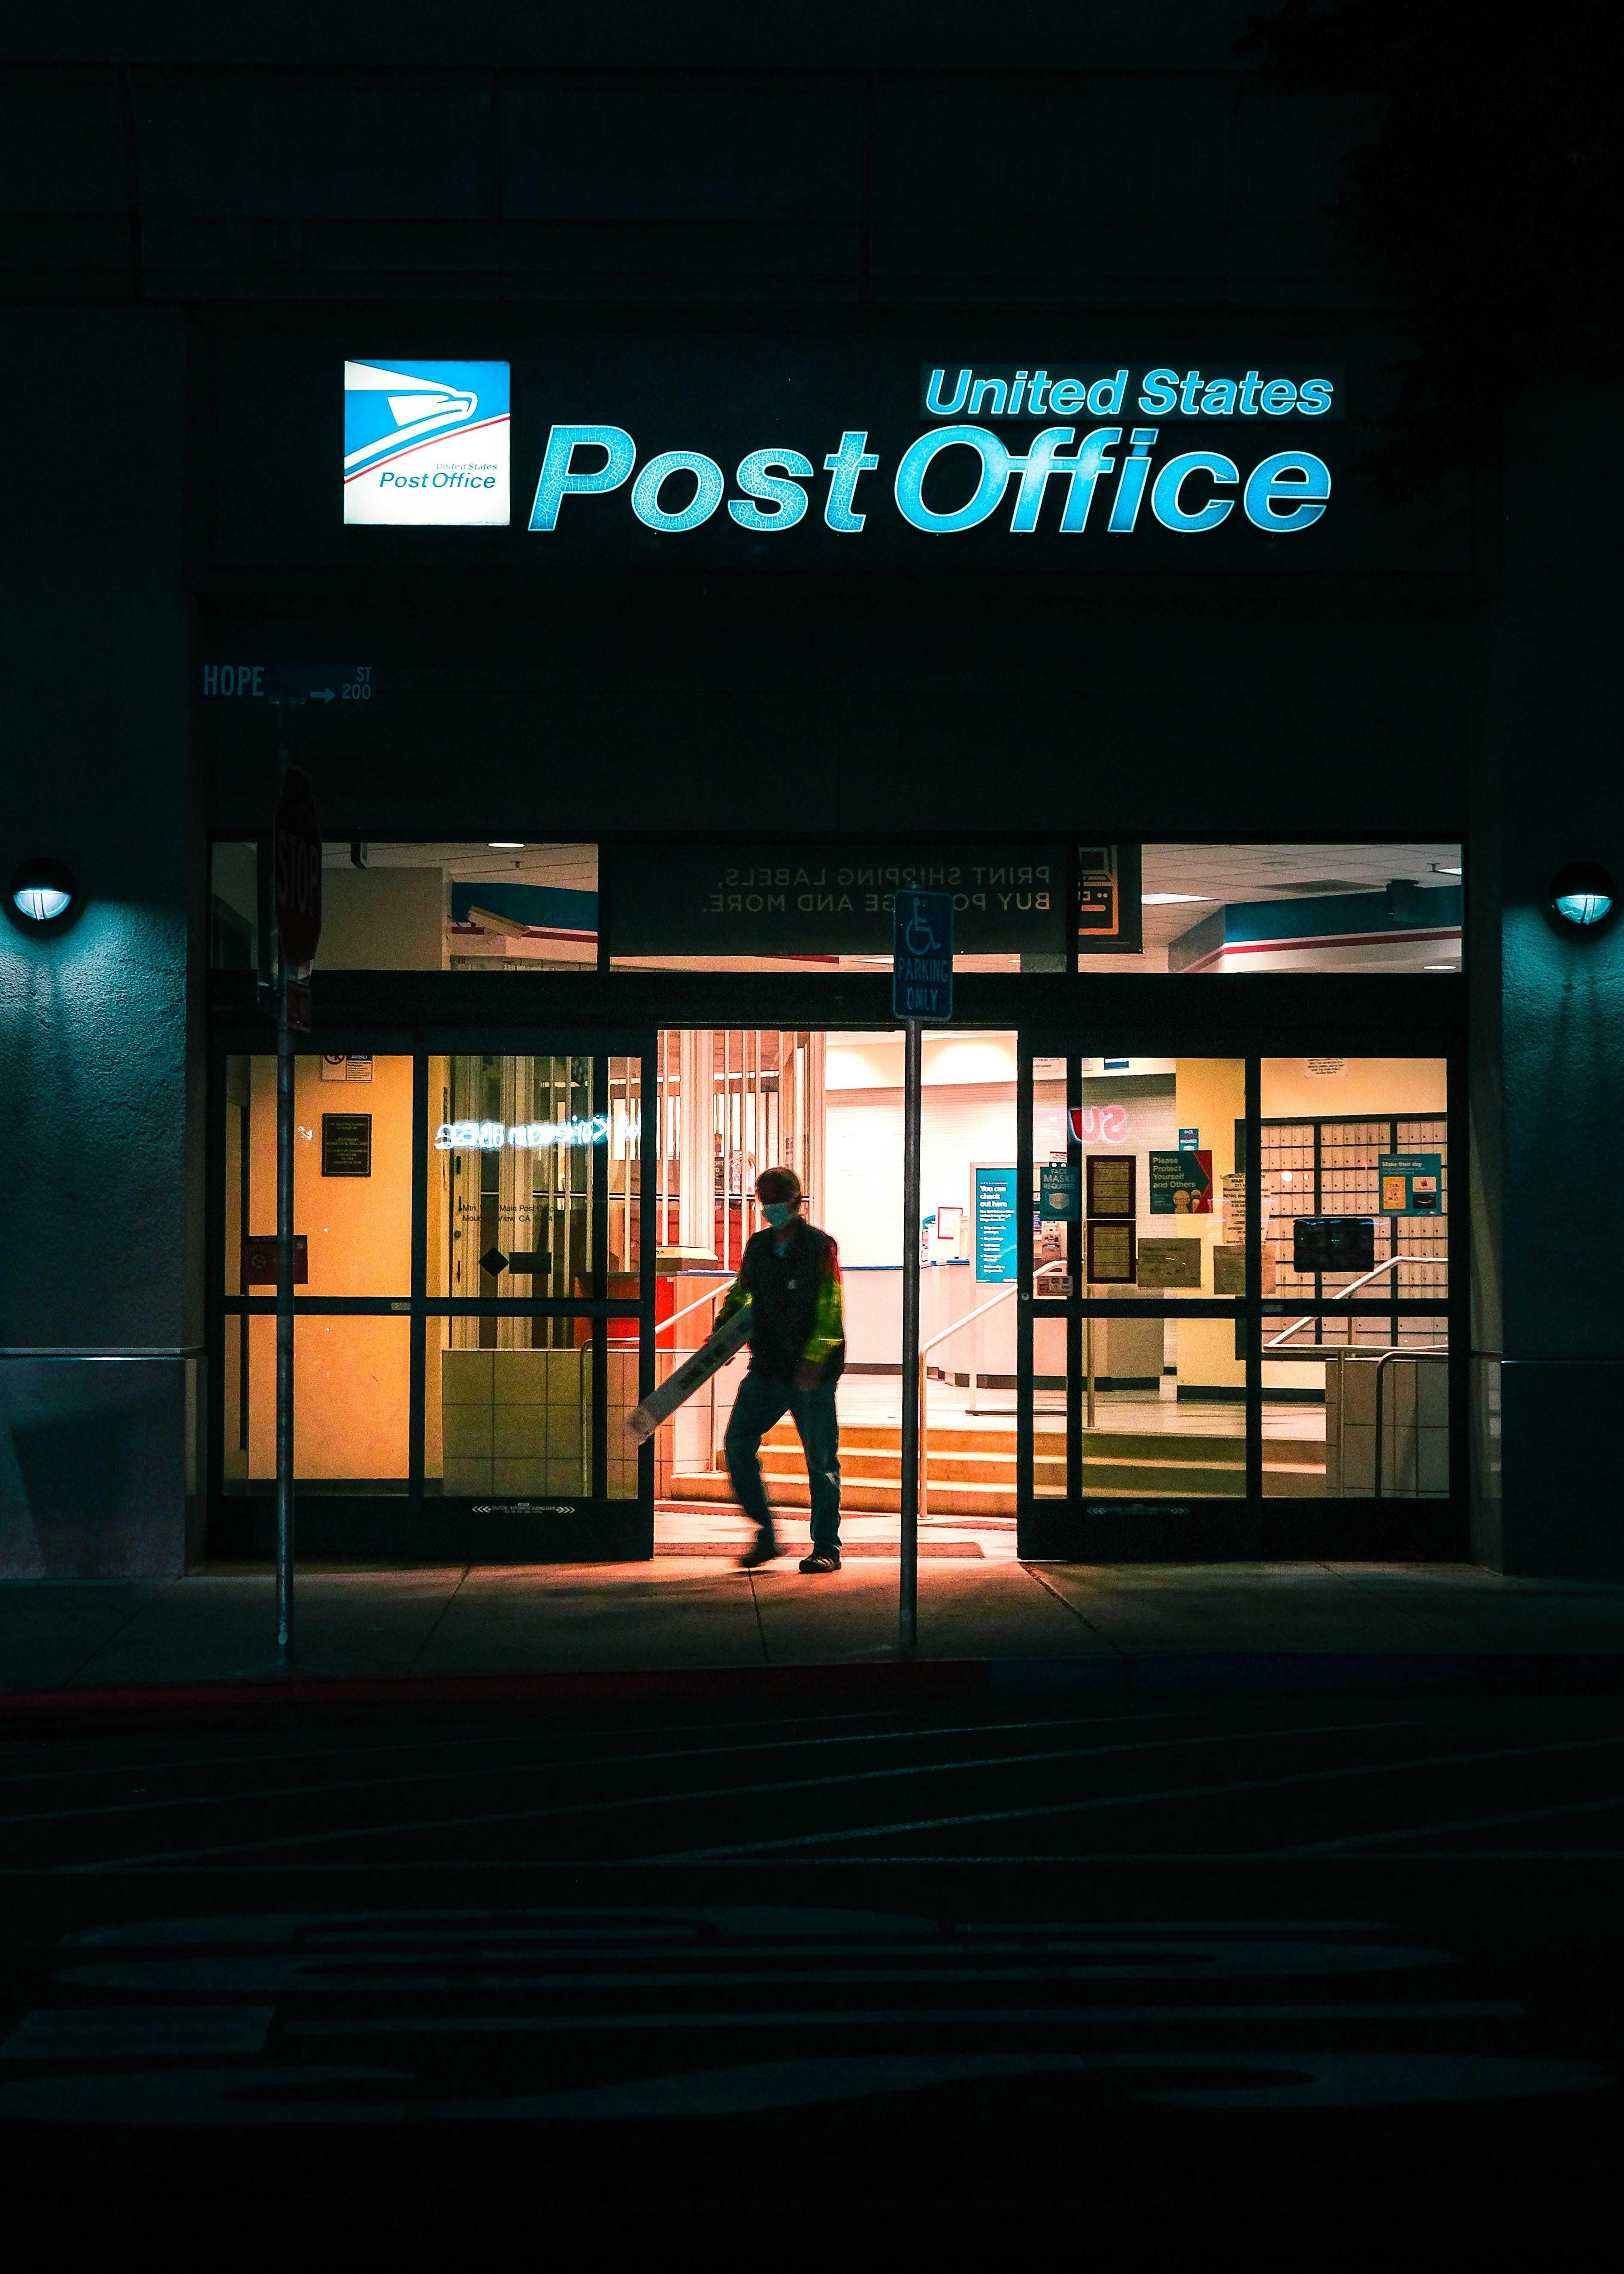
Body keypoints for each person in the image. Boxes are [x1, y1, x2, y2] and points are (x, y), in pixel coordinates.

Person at [718, 1166, 845, 1574]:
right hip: (768, 1368)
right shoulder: (758, 1247)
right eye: (762, 1199)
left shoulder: (819, 1247)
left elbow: (831, 1306)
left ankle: (826, 1546)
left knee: (821, 1461)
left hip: (811, 1375)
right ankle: (766, 1534)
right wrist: (721, 1335)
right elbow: (741, 1292)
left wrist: (815, 1358)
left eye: (775, 1199)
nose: (769, 1207)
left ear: (795, 1200)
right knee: (737, 1445)